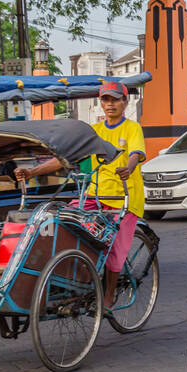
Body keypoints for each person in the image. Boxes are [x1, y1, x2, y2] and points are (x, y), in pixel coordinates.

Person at [15, 82, 145, 307]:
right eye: (106, 100)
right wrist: (31, 172)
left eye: (115, 99)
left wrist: (129, 167)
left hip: (123, 196)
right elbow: (66, 158)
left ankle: (109, 294)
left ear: (125, 101)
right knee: (64, 224)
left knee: (114, 246)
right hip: (94, 194)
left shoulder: (132, 128)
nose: (110, 104)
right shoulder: (94, 131)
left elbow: (136, 154)